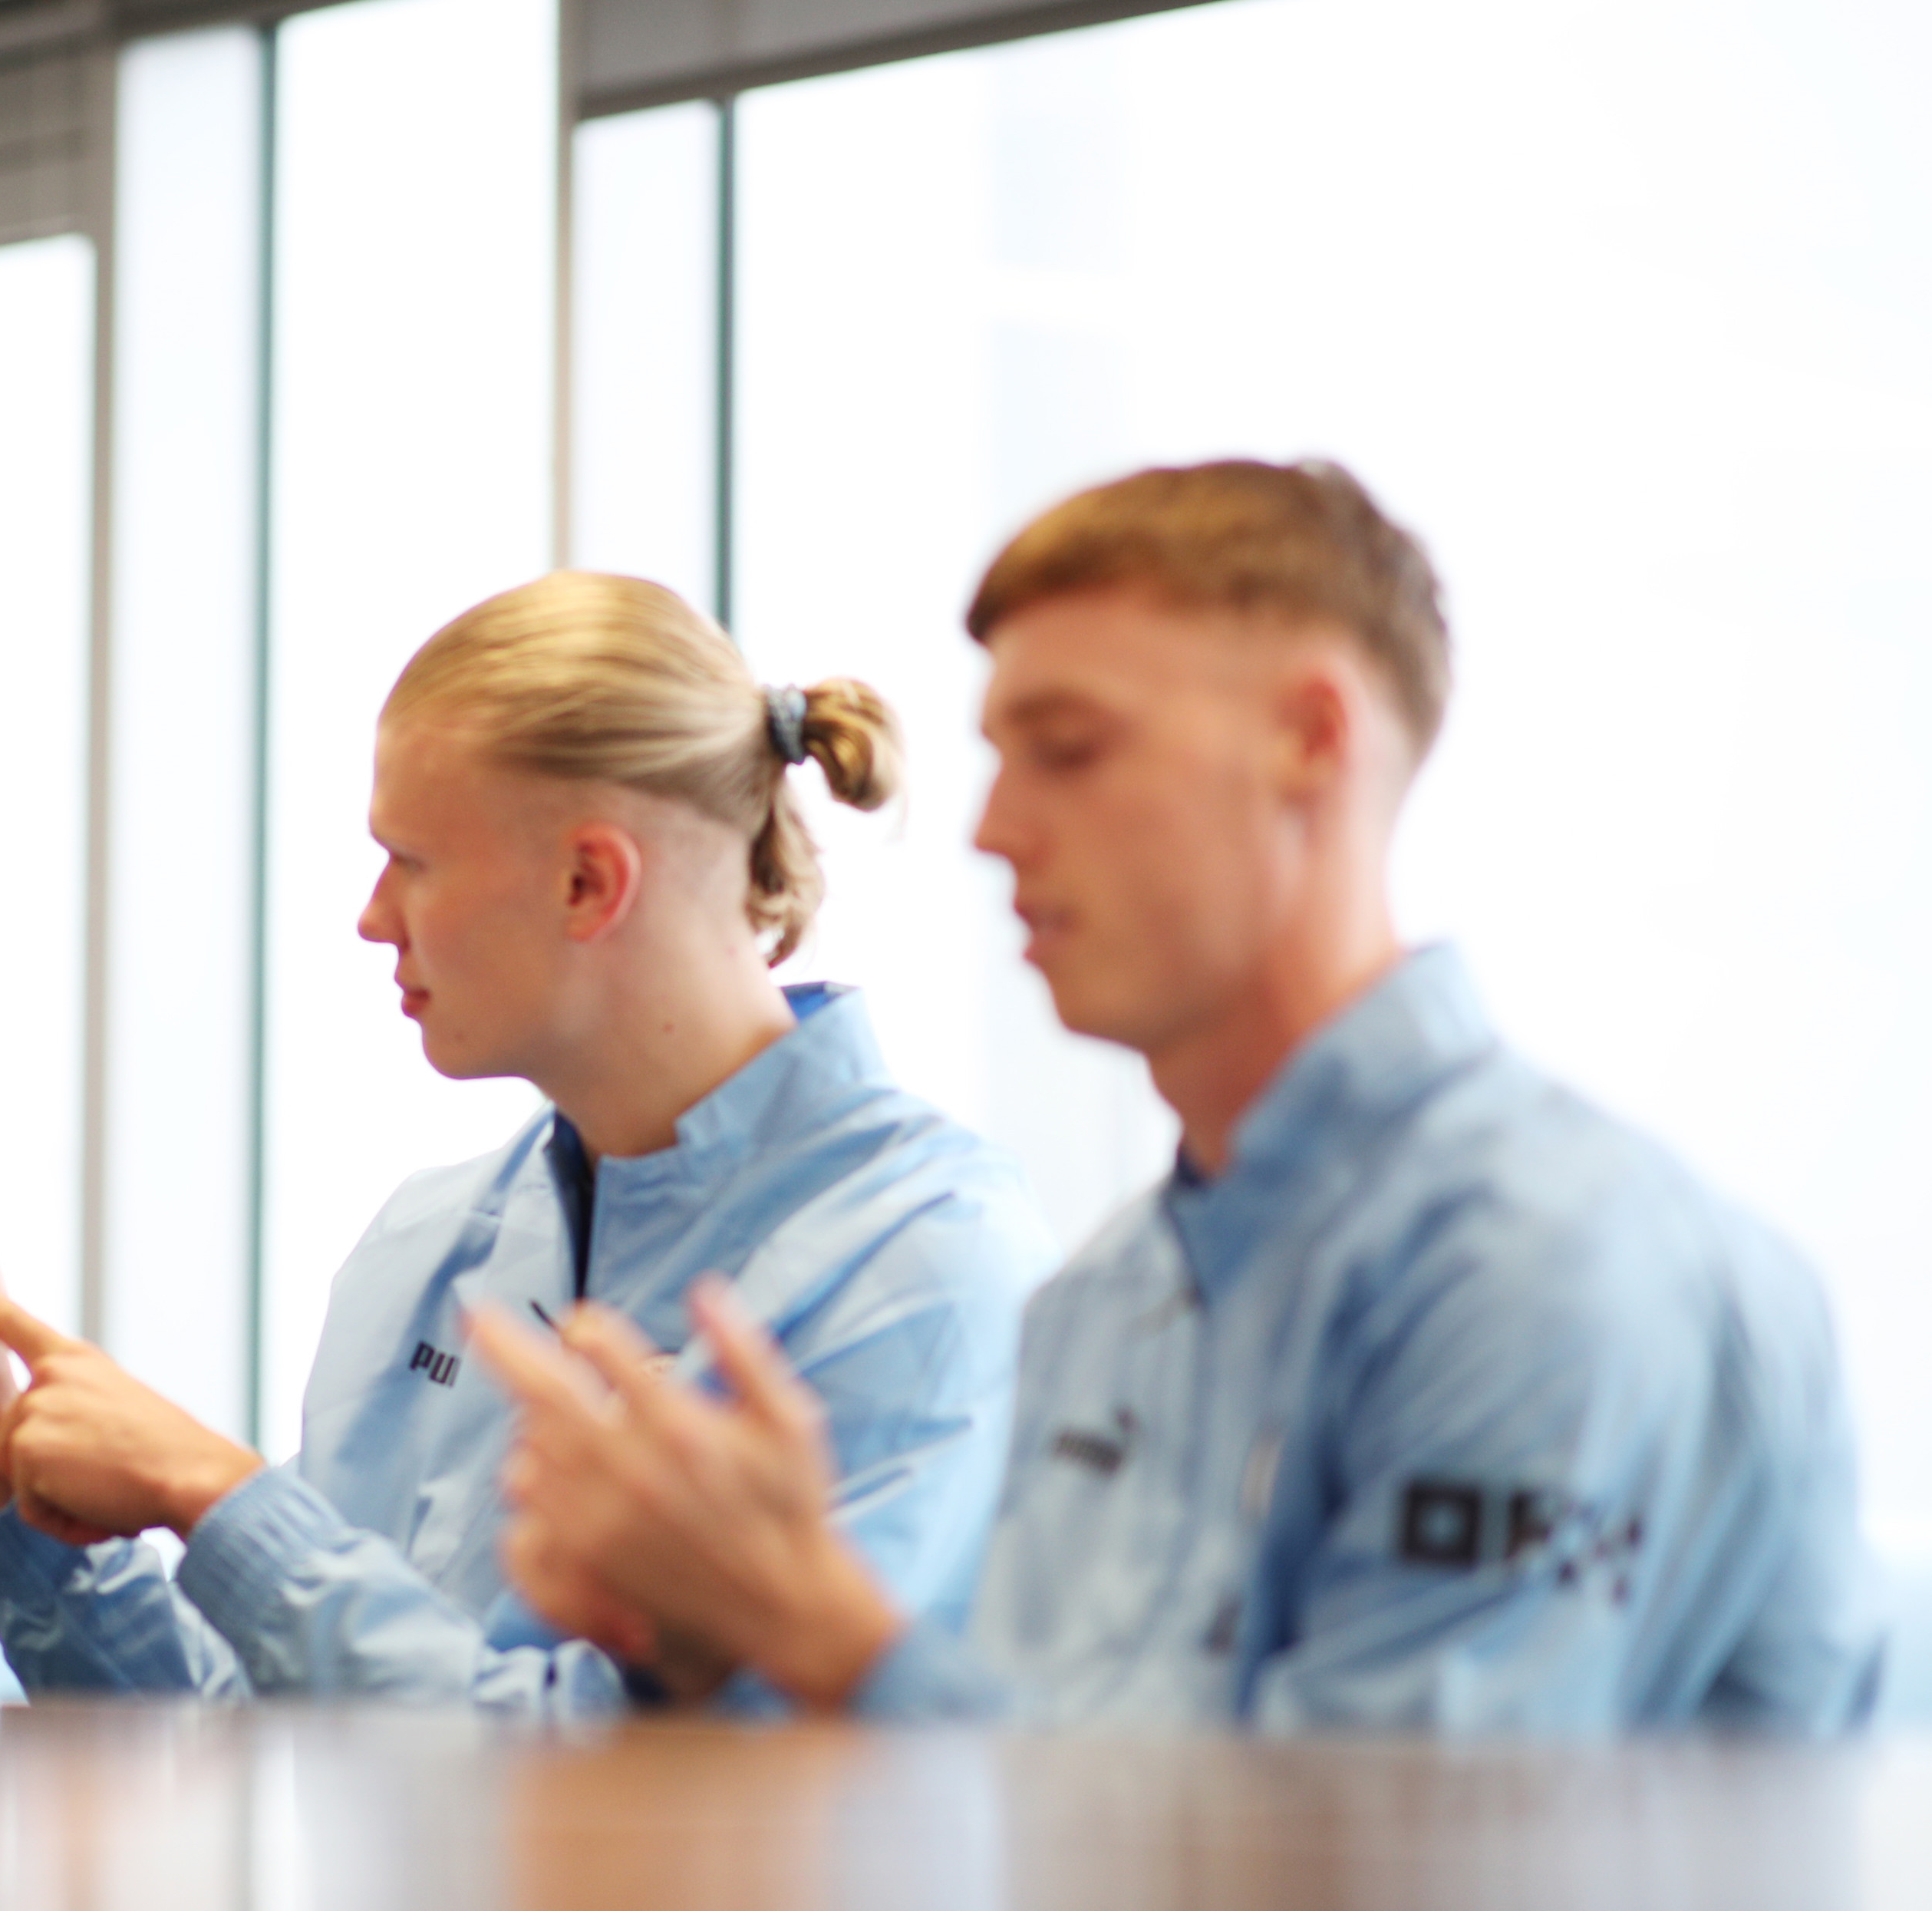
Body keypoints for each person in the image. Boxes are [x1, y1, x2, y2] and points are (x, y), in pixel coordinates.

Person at [477, 461, 1884, 1734]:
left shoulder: (1549, 1269)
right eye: (997, 759)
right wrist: (700, 1654)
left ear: (1310, 742)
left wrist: (818, 1631)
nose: (990, 830)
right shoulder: (1105, 1302)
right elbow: (1052, 1839)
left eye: (1072, 749)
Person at [0, 573, 1057, 1712]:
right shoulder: (426, 1242)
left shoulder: (932, 1262)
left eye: (409, 862)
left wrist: (217, 1493)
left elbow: (664, 1786)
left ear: (589, 885)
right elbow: (245, 1728)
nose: (371, 919)